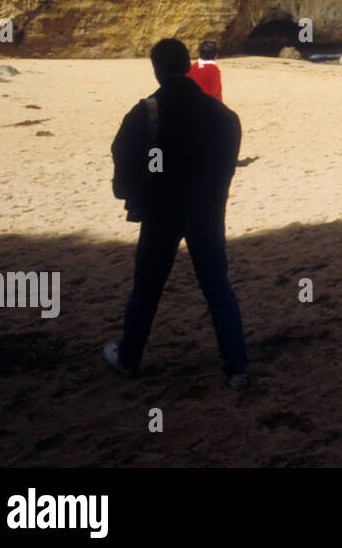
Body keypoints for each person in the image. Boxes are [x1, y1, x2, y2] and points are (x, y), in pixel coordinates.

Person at [104, 38, 249, 388]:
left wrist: (134, 193)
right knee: (217, 286)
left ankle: (129, 357)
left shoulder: (145, 112)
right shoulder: (225, 117)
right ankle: (237, 368)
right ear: (187, 66)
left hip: (161, 213)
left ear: (156, 69)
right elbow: (226, 167)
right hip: (207, 212)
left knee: (147, 288)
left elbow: (123, 175)